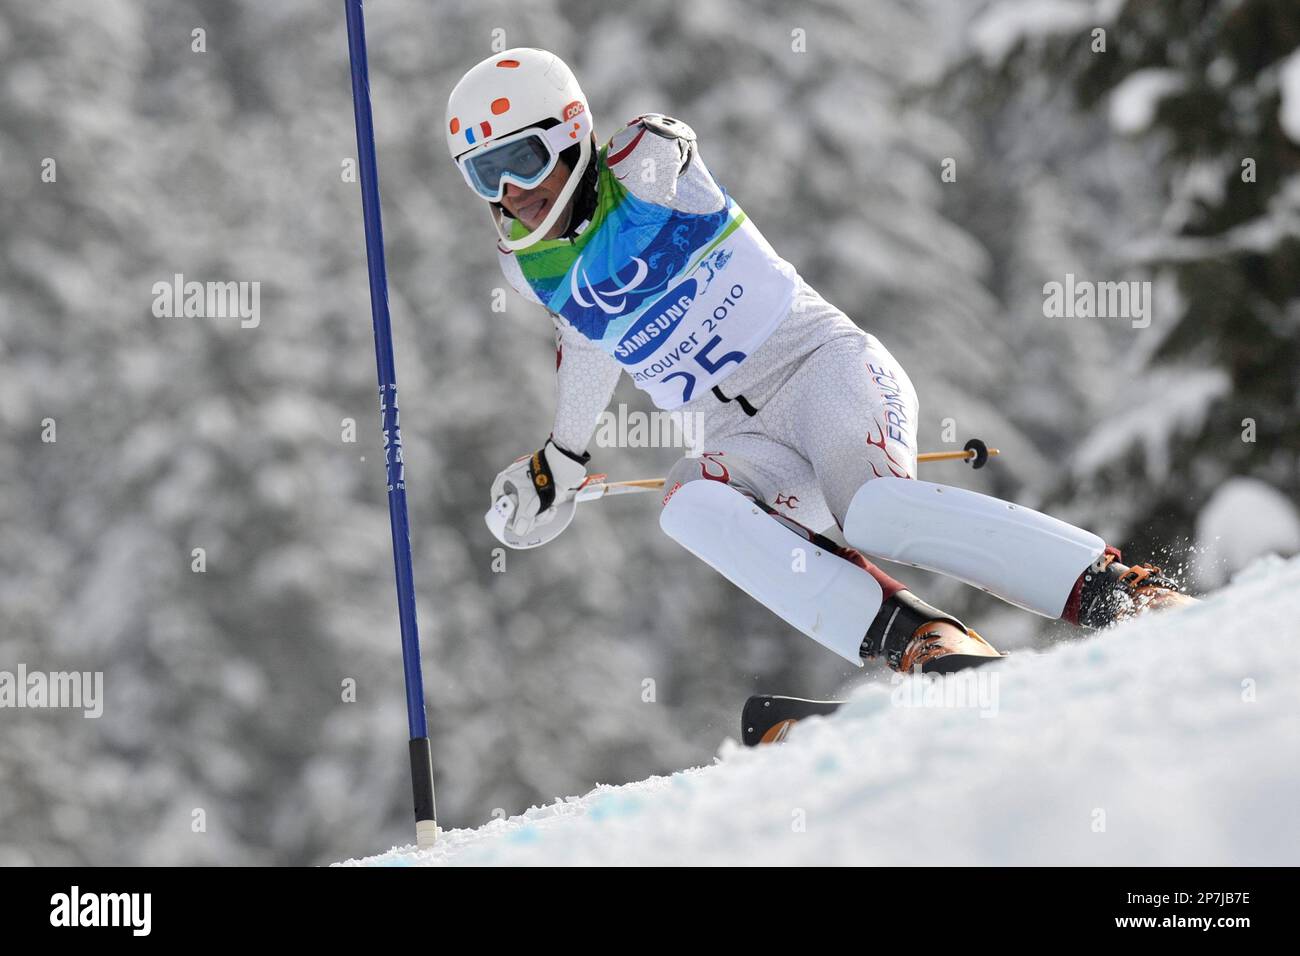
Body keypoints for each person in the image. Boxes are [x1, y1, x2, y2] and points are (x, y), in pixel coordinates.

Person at [445, 48, 1193, 673]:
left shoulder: (645, 164)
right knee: (686, 504)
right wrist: (561, 459)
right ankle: (921, 638)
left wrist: (647, 169)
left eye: (522, 159)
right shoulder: (531, 270)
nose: (512, 192)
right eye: (486, 176)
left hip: (827, 374)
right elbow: (585, 342)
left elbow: (666, 143)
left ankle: (1116, 589)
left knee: (872, 511)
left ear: (574, 134)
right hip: (744, 445)